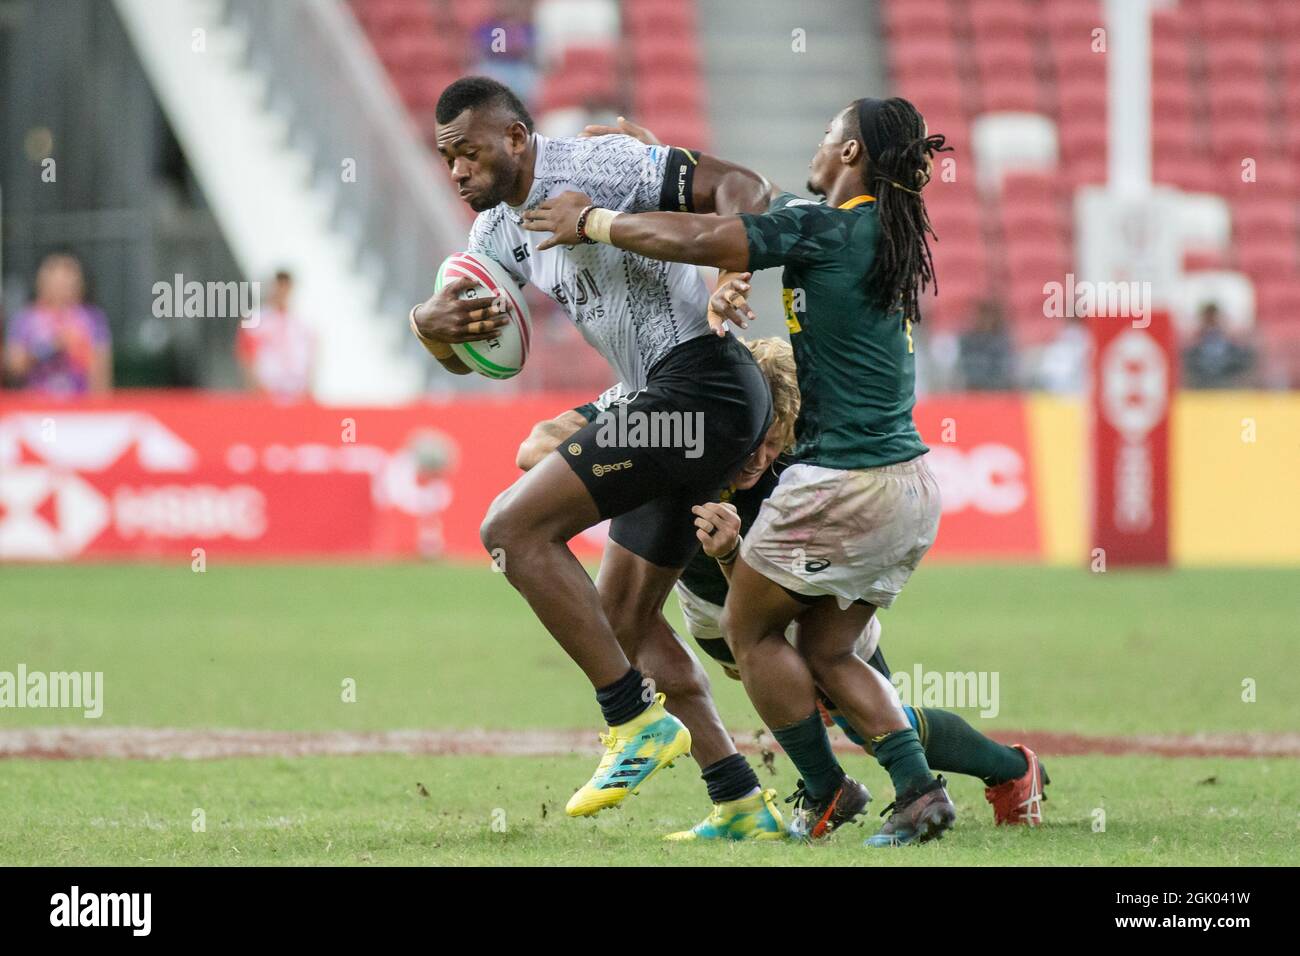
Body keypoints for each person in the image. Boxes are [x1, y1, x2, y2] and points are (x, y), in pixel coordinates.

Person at [523, 96, 974, 846]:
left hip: (843, 480)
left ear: (853, 155)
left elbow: (712, 229)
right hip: (911, 486)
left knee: (749, 630)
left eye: (831, 132)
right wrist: (657, 154)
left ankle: (828, 789)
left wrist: (594, 220)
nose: (821, 142)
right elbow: (740, 226)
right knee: (827, 651)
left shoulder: (822, 226)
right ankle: (919, 791)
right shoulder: (874, 234)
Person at [410, 76, 785, 837]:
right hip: (662, 402)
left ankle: (632, 721)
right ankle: (741, 798)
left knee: (511, 532)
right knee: (619, 617)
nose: (457, 172)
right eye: (447, 159)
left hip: (702, 387)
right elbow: (475, 356)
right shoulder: (492, 238)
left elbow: (746, 187)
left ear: (516, 138)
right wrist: (429, 325)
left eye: (469, 153)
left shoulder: (599, 164)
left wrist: (732, 270)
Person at [522, 338, 1049, 838]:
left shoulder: (805, 468)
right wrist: (614, 464)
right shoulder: (674, 407)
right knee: (630, 633)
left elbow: (770, 604)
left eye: (775, 443)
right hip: (709, 606)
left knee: (867, 720)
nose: (757, 457)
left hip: (793, 604)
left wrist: (731, 553)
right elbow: (533, 448)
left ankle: (1010, 769)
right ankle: (741, 801)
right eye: (755, 438)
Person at [4, 252, 111, 395]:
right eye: (53, 274)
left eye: (68, 275)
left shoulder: (92, 318)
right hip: (35, 407)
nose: (61, 282)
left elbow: (101, 371)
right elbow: (14, 366)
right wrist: (52, 346)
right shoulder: (25, 319)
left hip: (80, 407)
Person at [237, 269, 315, 399]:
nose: (282, 292)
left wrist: (308, 387)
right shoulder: (255, 320)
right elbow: (246, 356)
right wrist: (255, 388)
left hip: (296, 392)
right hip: (267, 390)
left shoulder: (302, 322)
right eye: (279, 286)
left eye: (286, 287)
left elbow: (310, 356)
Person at [1182, 302, 1255, 389]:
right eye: (1208, 318)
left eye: (1213, 318)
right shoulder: (1193, 350)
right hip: (1201, 390)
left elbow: (1242, 366)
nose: (1211, 322)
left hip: (1228, 390)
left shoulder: (1233, 348)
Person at [958, 299, 1016, 390]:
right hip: (973, 388)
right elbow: (965, 368)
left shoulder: (1001, 341)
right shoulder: (967, 341)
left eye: (989, 317)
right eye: (983, 317)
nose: (986, 321)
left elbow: (1005, 368)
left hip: (997, 389)